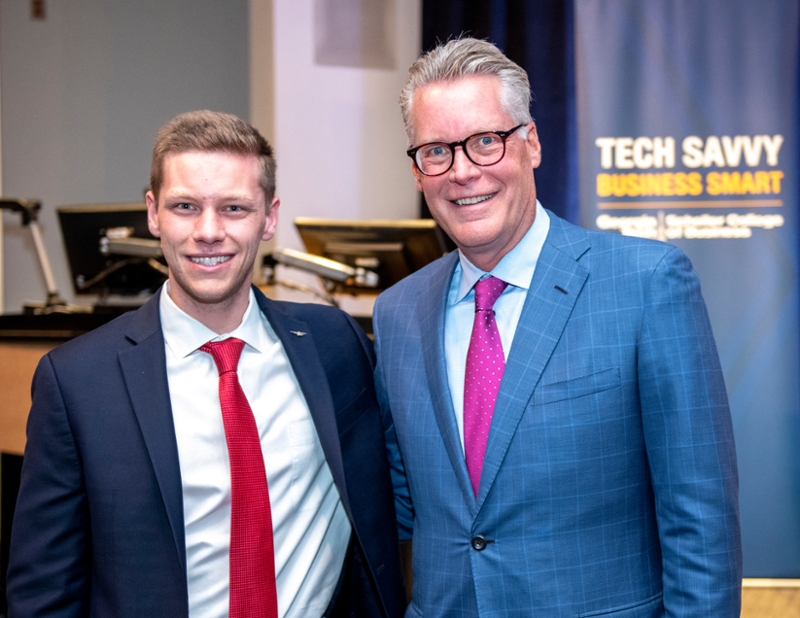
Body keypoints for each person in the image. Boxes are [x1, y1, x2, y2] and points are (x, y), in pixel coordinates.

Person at [373, 38, 742, 617]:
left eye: (485, 142)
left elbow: (699, 516)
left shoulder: (646, 284)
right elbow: (396, 502)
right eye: (436, 151)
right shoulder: (396, 312)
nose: (463, 171)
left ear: (532, 143)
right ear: (418, 173)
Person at [7, 110, 405, 618]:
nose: (208, 231)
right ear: (153, 214)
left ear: (270, 217)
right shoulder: (77, 382)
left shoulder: (336, 345)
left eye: (235, 207)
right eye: (185, 206)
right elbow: (43, 592)